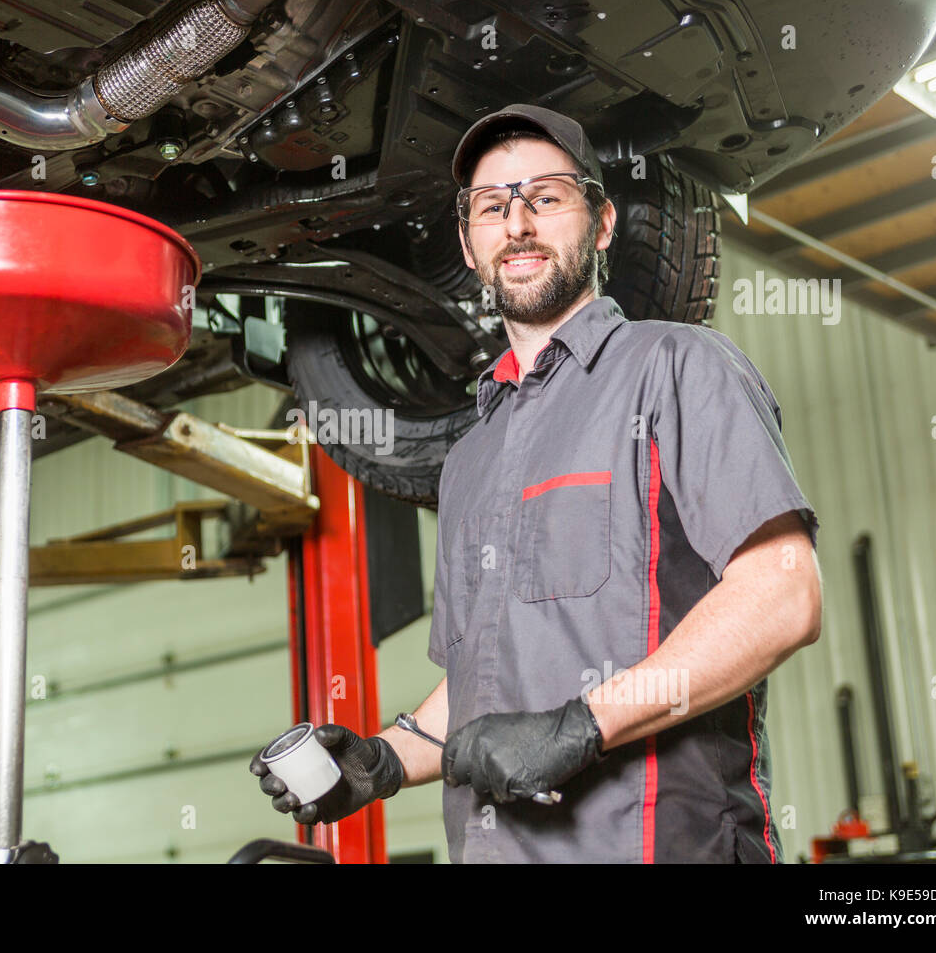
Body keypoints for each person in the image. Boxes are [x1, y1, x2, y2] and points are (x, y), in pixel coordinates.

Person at [250, 105, 822, 863]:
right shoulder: (470, 459)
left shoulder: (678, 366)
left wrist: (586, 724)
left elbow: (785, 596)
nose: (517, 222)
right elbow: (482, 684)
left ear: (604, 223)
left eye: (545, 198)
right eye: (493, 206)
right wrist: (382, 762)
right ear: (469, 243)